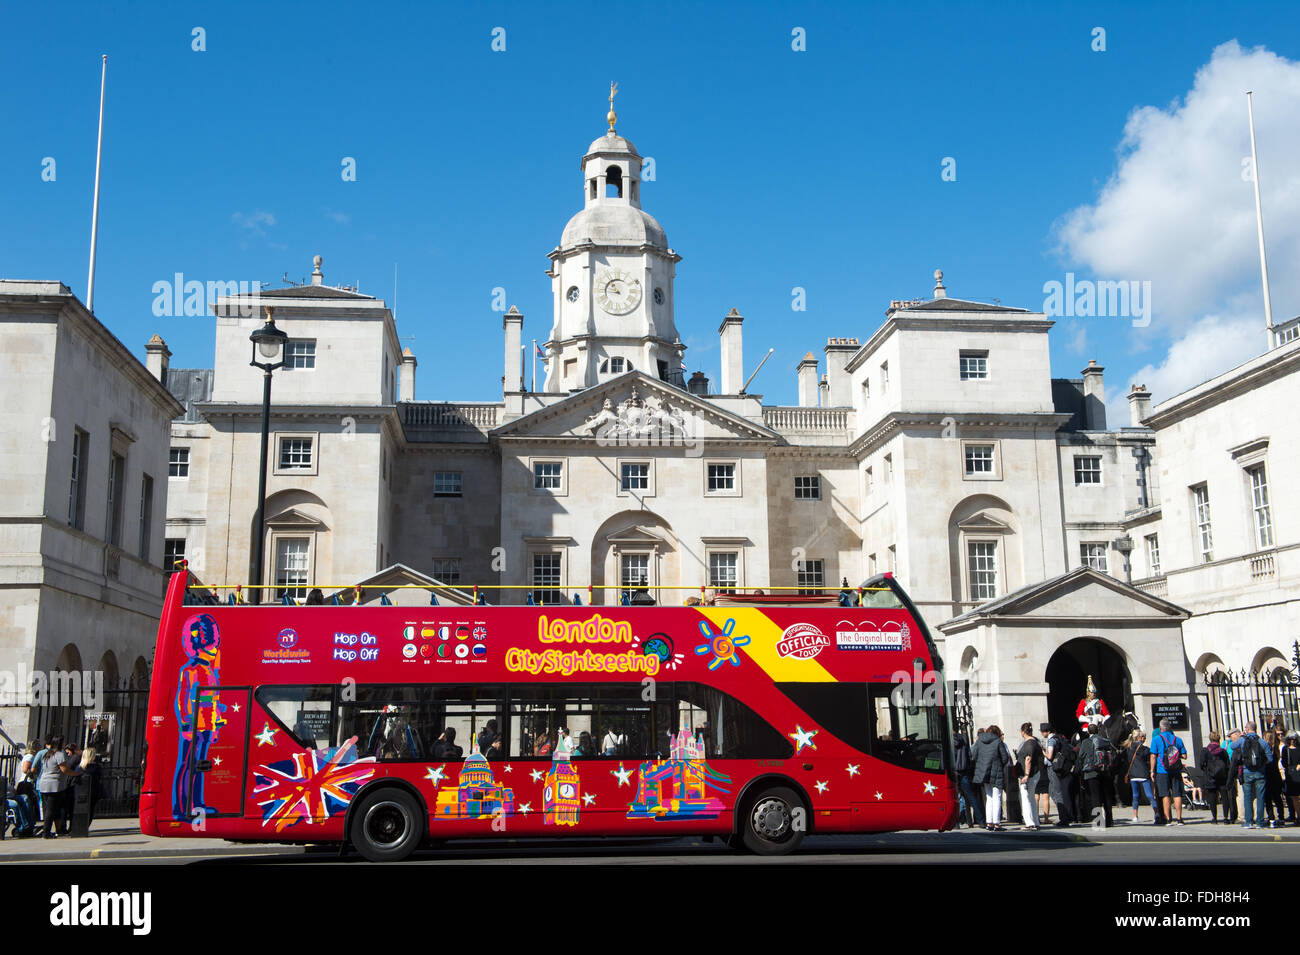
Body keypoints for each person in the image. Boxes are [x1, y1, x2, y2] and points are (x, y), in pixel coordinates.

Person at [1230, 721, 1272, 829]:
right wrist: (1261, 764)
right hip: (1260, 773)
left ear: (1247, 729)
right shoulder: (1262, 742)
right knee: (1260, 797)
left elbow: (1233, 746)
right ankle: (1260, 822)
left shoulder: (1242, 740)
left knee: (1247, 797)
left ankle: (1248, 822)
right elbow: (1270, 759)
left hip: (1247, 771)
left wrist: (1242, 735)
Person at [36, 735, 81, 838]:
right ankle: (46, 832)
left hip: (44, 783)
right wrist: (76, 773)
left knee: (49, 808)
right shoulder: (59, 754)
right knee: (51, 810)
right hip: (54, 785)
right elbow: (64, 769)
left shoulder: (47, 754)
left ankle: (53, 830)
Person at [971, 725, 1011, 831]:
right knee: (997, 797)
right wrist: (999, 765)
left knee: (989, 797)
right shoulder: (998, 741)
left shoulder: (979, 741)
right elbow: (1005, 757)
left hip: (984, 772)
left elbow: (973, 755)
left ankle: (989, 822)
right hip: (996, 771)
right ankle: (996, 823)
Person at [1149, 718, 1187, 826]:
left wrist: (1152, 770)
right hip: (1175, 770)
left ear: (1161, 728)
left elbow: (1153, 756)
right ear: (1170, 728)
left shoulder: (1156, 739)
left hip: (1162, 770)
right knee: (1177, 794)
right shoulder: (1177, 739)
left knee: (1165, 794)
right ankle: (1179, 818)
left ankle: (1168, 819)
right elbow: (1184, 755)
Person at [1077, 722, 1114, 827]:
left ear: (1088, 732)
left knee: (1095, 797)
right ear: (1098, 730)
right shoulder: (1105, 741)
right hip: (1105, 772)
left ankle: (1098, 821)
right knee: (1107, 796)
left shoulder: (1086, 742)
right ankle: (1109, 820)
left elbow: (1081, 756)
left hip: (1091, 773)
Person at [1042, 724, 1073, 827]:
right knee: (1053, 791)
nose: (1042, 734)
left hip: (1052, 768)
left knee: (1056, 792)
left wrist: (1043, 752)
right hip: (1055, 768)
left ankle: (1064, 818)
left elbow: (1050, 756)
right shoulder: (1056, 739)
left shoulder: (1051, 741)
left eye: (1042, 731)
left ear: (1046, 731)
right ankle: (1065, 815)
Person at [953, 731, 983, 828]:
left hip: (954, 772)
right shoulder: (964, 739)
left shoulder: (949, 740)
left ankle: (956, 822)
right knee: (970, 797)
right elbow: (969, 755)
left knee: (955, 797)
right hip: (964, 771)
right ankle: (980, 820)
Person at [1016, 723, 1043, 830]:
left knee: (1026, 798)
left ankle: (1029, 823)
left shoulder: (1029, 744)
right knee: (1031, 798)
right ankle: (1035, 822)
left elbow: (1028, 759)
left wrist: (1026, 775)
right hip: (1035, 773)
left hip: (1029, 775)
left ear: (1023, 732)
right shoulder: (1035, 742)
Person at [1200, 731, 1231, 823]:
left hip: (1210, 777)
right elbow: (1227, 764)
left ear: (1210, 739)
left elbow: (1201, 764)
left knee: (1212, 797)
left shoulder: (1205, 750)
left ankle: (1215, 818)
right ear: (1218, 739)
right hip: (1222, 777)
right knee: (1224, 797)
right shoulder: (1223, 751)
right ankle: (1226, 817)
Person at [1126, 730, 1155, 823]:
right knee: (1150, 795)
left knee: (1135, 796)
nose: (1144, 739)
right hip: (1143, 774)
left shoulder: (1129, 748)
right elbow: (1148, 760)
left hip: (1133, 774)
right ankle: (1157, 814)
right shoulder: (1145, 749)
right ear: (1139, 738)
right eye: (1143, 737)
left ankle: (1135, 816)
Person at [1263, 729, 1287, 828]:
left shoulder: (1266, 749)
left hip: (1268, 775)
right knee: (1278, 798)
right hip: (1276, 775)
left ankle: (1271, 817)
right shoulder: (1276, 748)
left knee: (1268, 798)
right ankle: (1281, 817)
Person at [1223, 728, 1242, 824]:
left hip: (1237, 771)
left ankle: (1240, 816)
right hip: (1231, 770)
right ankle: (1235, 815)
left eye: (1231, 736)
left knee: (1238, 795)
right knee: (1233, 795)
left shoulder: (1239, 744)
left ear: (1236, 735)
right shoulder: (1225, 743)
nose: (1230, 738)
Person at [1284, 733, 1300, 826]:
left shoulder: (1299, 748)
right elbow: (1285, 762)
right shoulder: (1285, 749)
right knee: (1294, 797)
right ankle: (1298, 816)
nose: (1292, 740)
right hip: (1291, 774)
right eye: (1290, 739)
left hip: (1298, 772)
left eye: (1294, 738)